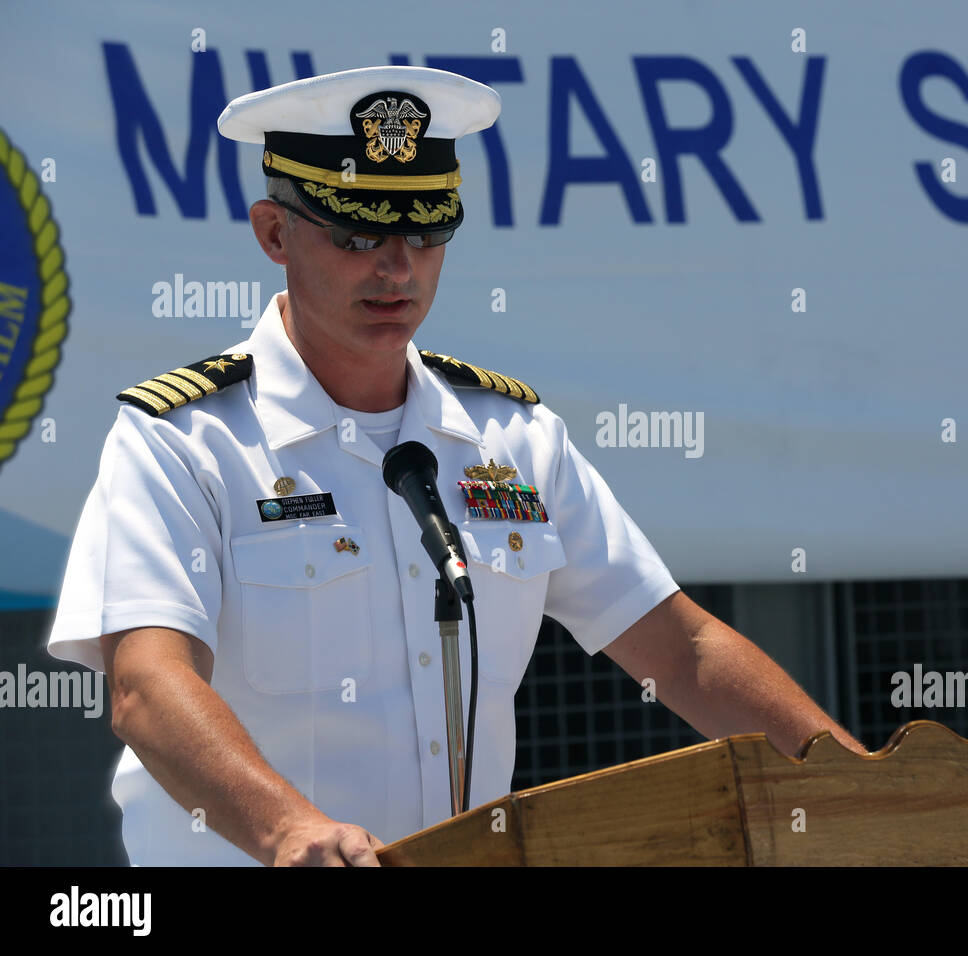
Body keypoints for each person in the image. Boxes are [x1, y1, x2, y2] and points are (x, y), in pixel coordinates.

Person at [45, 66, 866, 867]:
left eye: (427, 231)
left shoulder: (511, 438)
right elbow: (146, 686)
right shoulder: (184, 441)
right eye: (359, 232)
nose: (397, 267)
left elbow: (681, 650)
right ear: (274, 233)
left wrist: (864, 789)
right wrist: (288, 830)